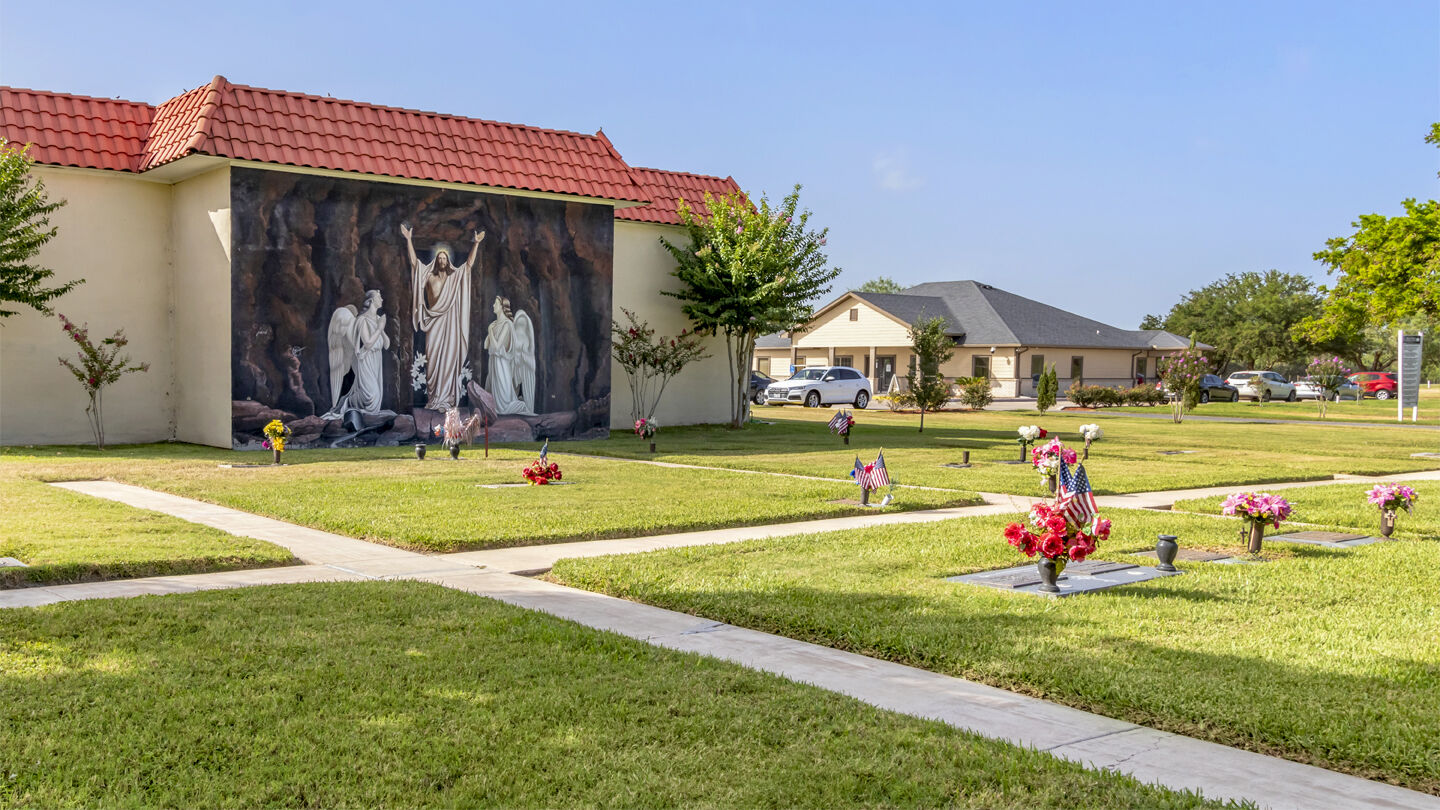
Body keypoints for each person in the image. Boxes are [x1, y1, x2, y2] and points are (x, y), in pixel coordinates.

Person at [403, 224, 483, 410]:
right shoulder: (429, 278)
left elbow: (468, 266)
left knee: (448, 359)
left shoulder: (453, 278)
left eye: (444, 258)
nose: (441, 261)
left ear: (448, 261)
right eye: (439, 258)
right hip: (433, 322)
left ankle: (446, 400)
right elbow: (415, 264)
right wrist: (408, 240)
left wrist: (476, 244)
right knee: (432, 360)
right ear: (436, 260)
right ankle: (434, 398)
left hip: (450, 322)